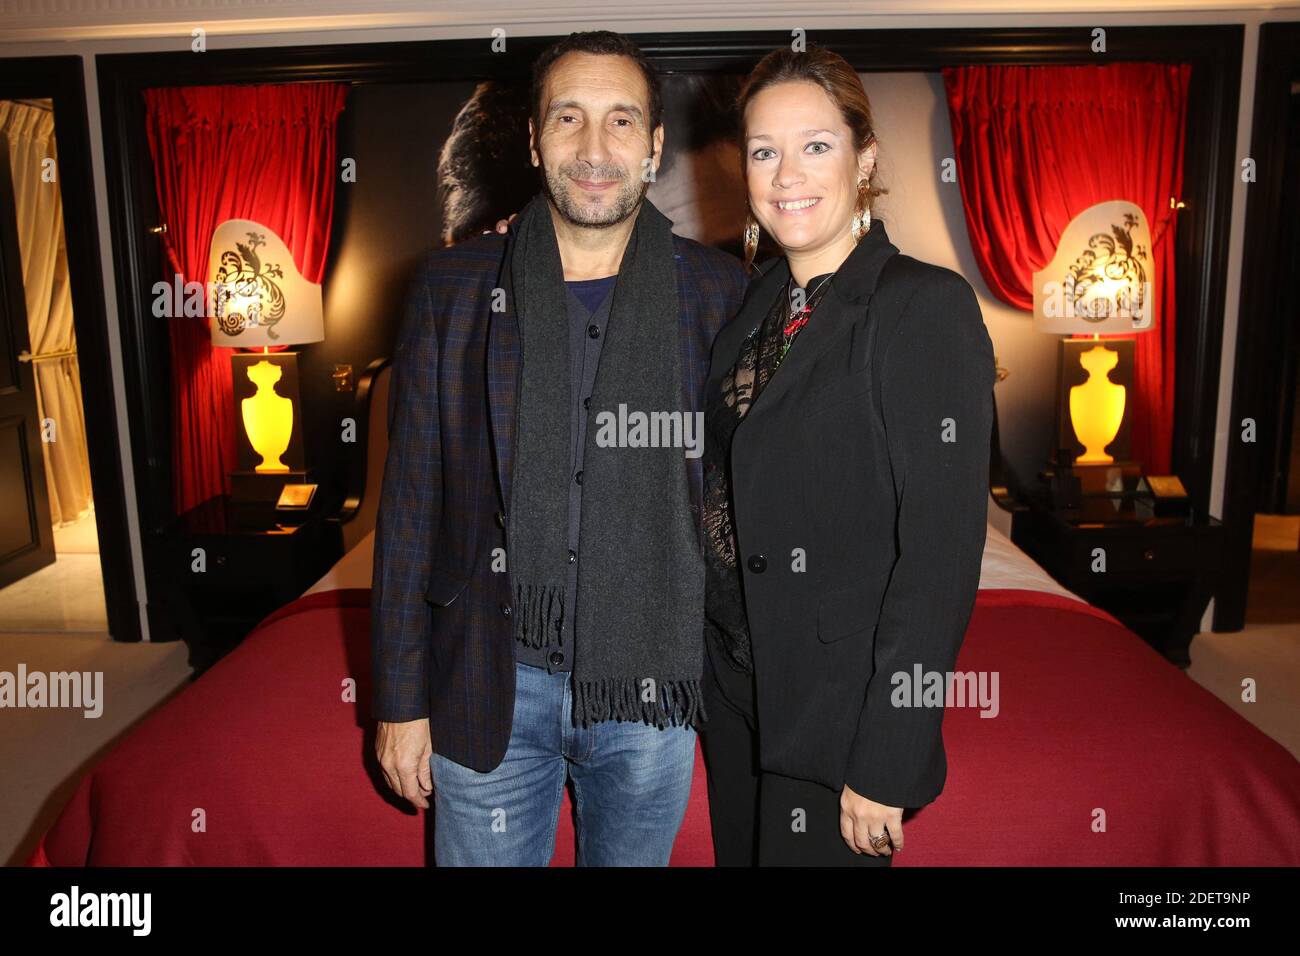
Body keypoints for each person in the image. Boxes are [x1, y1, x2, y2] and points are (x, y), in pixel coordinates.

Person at [370, 30, 746, 866]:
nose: (593, 147)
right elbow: (409, 511)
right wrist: (399, 701)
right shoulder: (455, 286)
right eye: (568, 118)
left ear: (652, 146)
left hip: (651, 687)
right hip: (487, 682)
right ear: (536, 139)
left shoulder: (721, 295)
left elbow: (743, 502)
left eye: (621, 121)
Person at [698, 43, 996, 866]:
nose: (787, 174)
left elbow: (941, 558)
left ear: (864, 158)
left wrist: (888, 757)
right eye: (765, 151)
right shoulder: (756, 302)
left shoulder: (922, 309)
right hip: (732, 687)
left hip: (836, 712)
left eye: (816, 145)